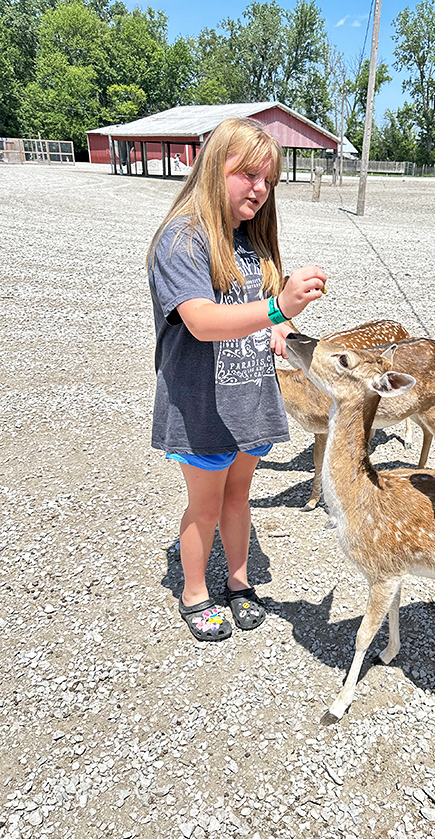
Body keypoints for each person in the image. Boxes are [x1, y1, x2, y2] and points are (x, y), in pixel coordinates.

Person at [148, 117, 326, 642]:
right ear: (210, 169)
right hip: (202, 404)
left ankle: (239, 580)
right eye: (247, 174)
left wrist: (283, 323)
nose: (259, 188)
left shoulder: (252, 242)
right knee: (204, 505)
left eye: (267, 180)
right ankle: (195, 591)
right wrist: (275, 308)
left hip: (249, 398)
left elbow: (263, 311)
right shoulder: (183, 239)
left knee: (238, 495)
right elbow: (201, 320)